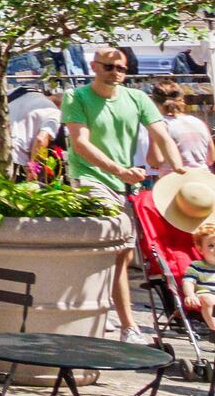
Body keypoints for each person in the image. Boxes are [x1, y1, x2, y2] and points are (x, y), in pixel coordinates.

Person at [63, 48, 183, 341]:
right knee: (107, 246)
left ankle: (125, 324)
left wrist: (180, 168)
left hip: (125, 183)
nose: (116, 72)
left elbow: (162, 135)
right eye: (109, 66)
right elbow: (80, 143)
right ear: (94, 67)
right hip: (91, 178)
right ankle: (102, 315)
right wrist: (117, 169)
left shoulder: (137, 98)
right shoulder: (77, 97)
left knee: (123, 257)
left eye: (121, 68)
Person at [0, 80, 61, 174]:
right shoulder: (54, 111)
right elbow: (41, 140)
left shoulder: (24, 90)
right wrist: (33, 169)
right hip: (11, 155)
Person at [146, 80, 211, 177]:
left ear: (154, 102)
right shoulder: (199, 123)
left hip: (175, 182)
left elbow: (156, 160)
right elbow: (210, 159)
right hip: (202, 179)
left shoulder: (160, 125)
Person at [180, 219, 215, 330]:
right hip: (204, 297)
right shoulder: (197, 266)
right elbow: (188, 281)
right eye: (211, 246)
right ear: (200, 249)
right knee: (209, 299)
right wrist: (190, 294)